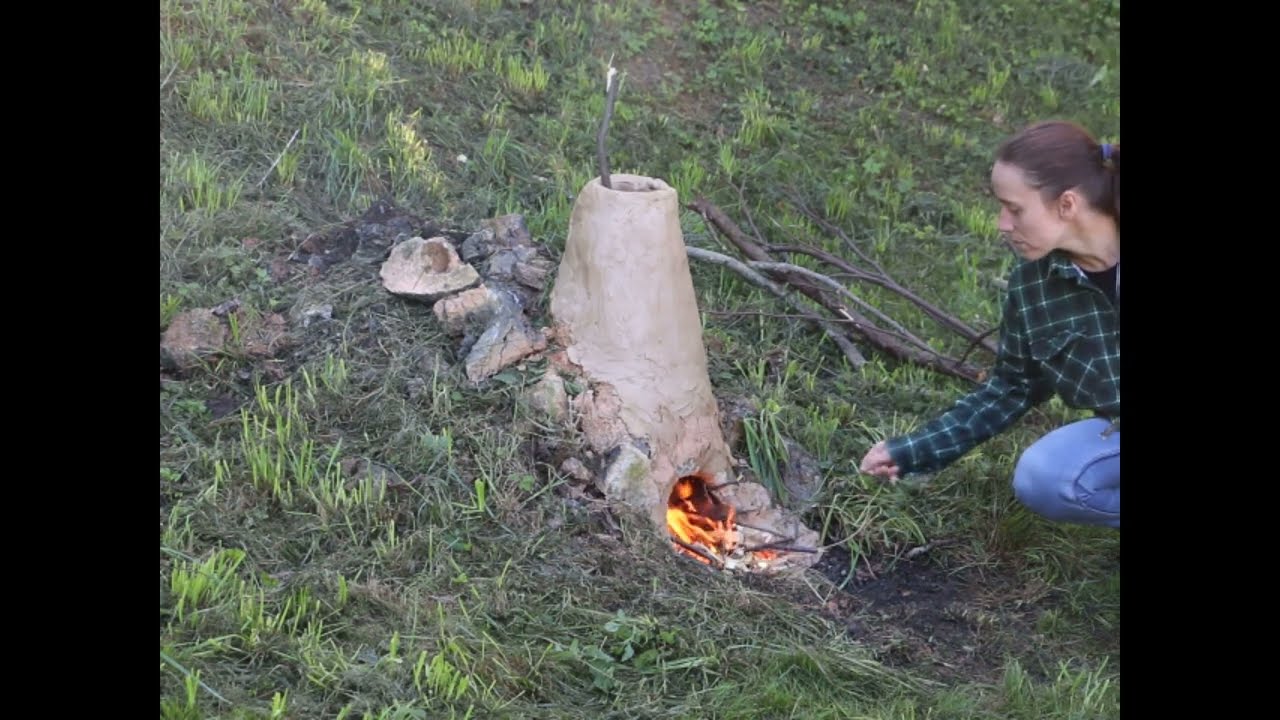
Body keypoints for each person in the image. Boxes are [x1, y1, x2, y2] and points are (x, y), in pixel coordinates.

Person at [859, 120, 1120, 529]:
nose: (1002, 223)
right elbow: (1011, 388)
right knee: (1044, 477)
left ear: (1066, 205)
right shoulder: (1034, 287)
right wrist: (913, 450)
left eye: (1015, 209)